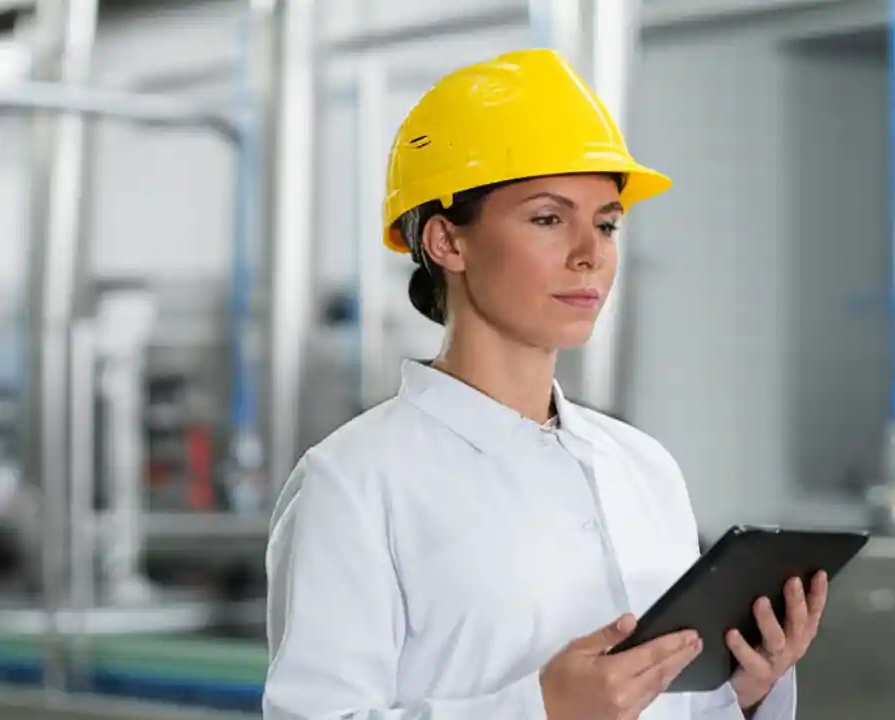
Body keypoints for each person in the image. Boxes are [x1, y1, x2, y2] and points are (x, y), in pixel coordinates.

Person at [263, 49, 827, 719]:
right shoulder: (353, 483)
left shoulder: (643, 467)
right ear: (447, 242)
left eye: (607, 223)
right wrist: (542, 710)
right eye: (548, 218)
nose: (590, 253)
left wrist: (745, 692)